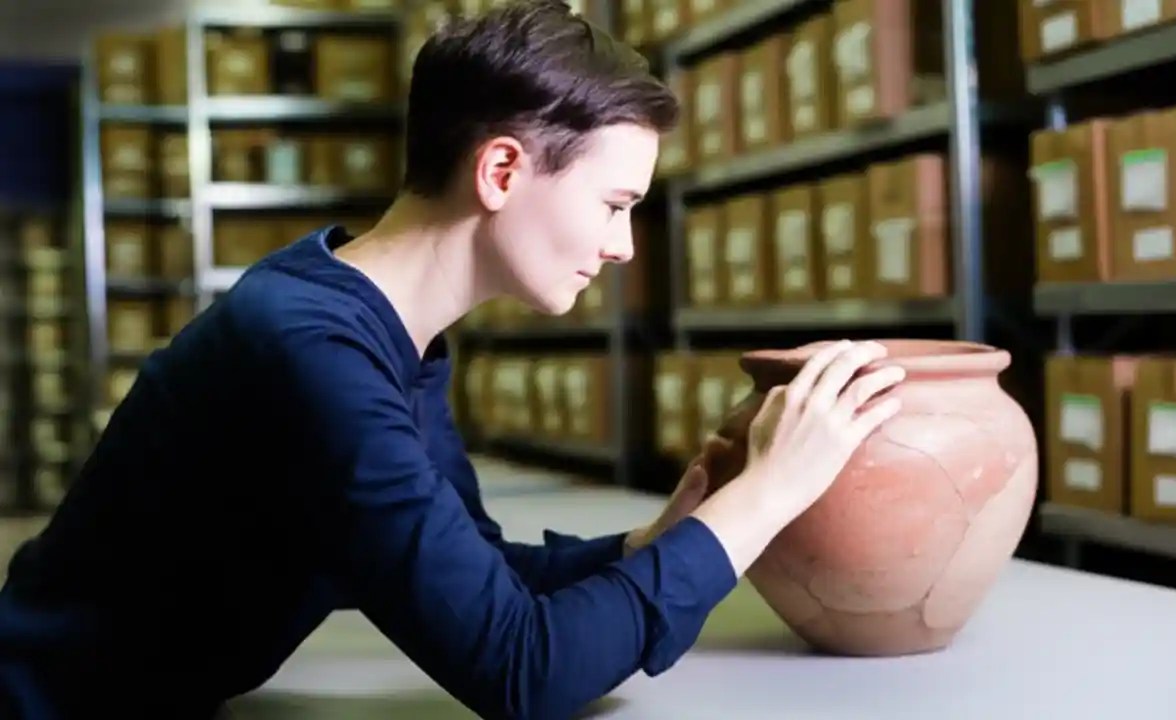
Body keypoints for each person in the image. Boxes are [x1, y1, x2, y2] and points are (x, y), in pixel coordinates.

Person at [0, 1, 905, 718]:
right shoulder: (309, 346)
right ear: (502, 171)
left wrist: (652, 544)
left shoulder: (389, 332)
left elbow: (480, 575)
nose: (626, 244)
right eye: (614, 202)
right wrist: (769, 496)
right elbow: (523, 671)